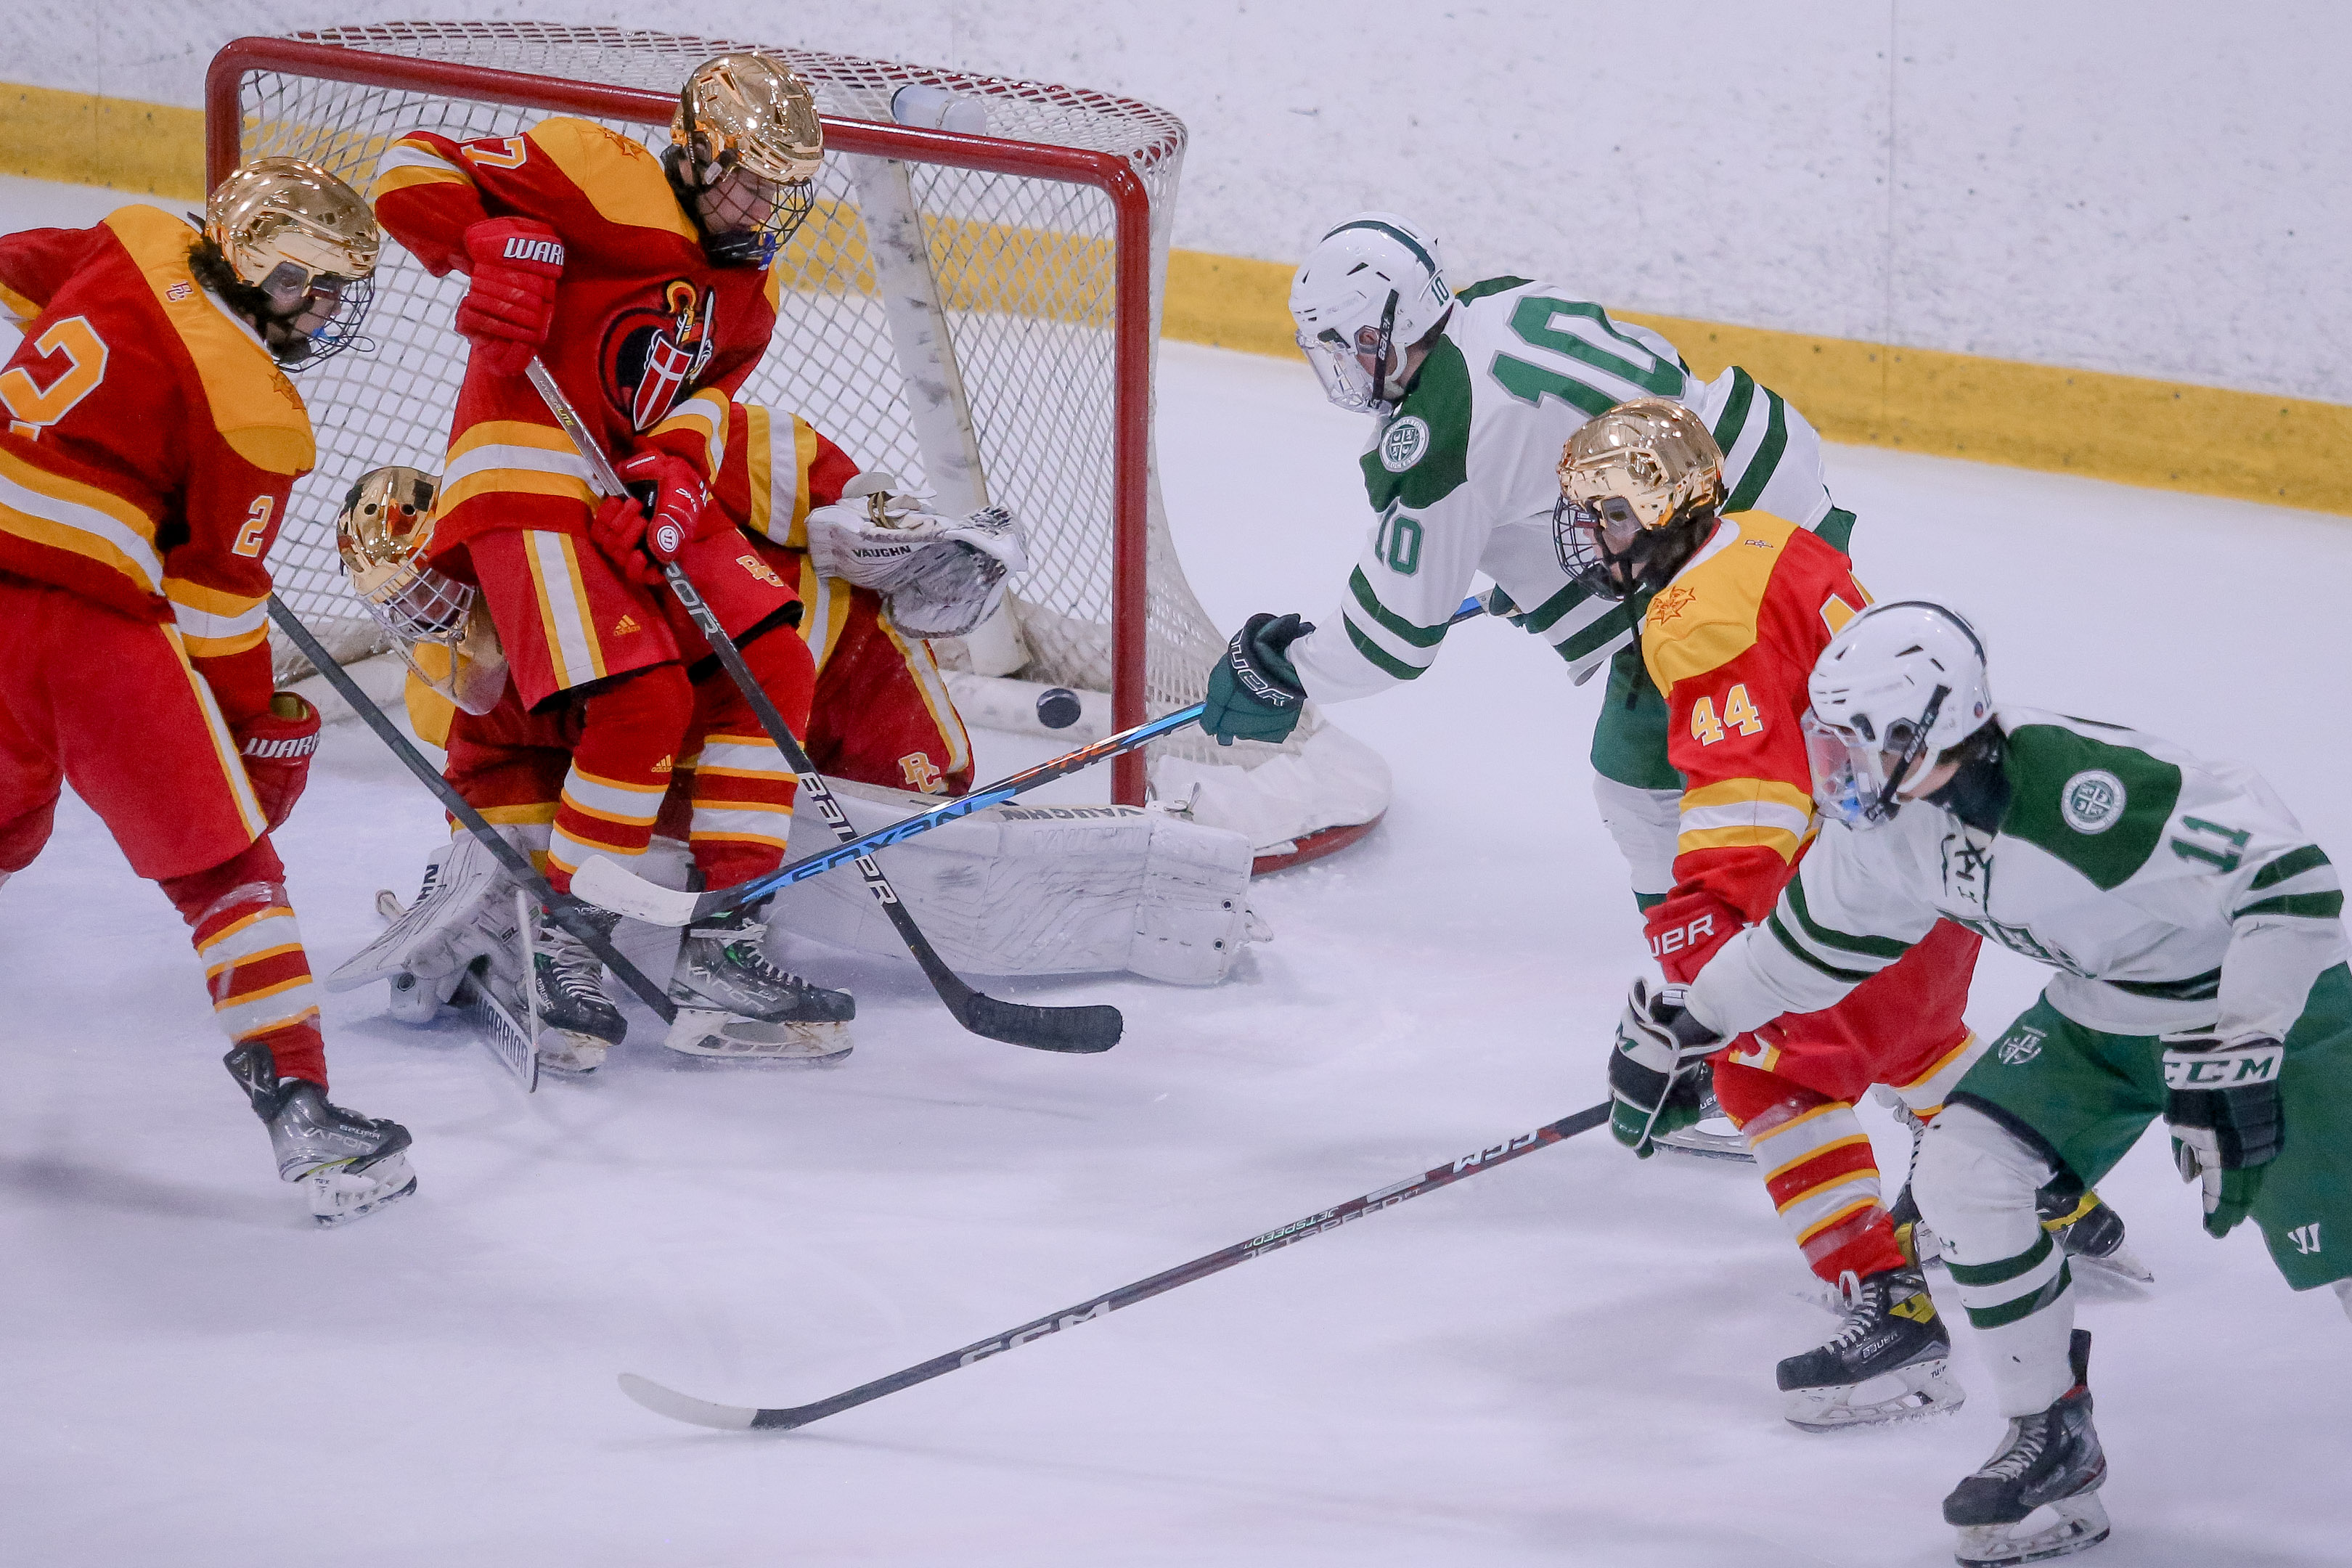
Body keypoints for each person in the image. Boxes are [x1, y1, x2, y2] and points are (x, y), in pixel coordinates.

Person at [1647, 600, 2351, 1566]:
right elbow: (1796, 955)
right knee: (1964, 1173)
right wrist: (1696, 1023)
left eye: (1856, 743)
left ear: (1925, 730)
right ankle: (2053, 1437)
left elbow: (2295, 887)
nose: (1836, 768)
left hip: (2272, 1005)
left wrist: (2240, 1045)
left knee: (2343, 1243)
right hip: (2103, 1010)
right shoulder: (1891, 827)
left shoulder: (2084, 793)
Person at [1202, 211, 1858, 1159]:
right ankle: (1807, 1009)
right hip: (1775, 486)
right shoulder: (1506, 301)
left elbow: (1392, 636)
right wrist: (1558, 565)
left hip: (1711, 573)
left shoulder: (1440, 431)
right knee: (1800, 792)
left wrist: (1285, 673)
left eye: (1344, 348)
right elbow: (1609, 410)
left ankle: (1723, 1037)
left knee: (1650, 793)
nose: (1342, 371)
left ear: (1380, 332)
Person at [367, 54, 847, 1062]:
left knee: (776, 662)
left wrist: (674, 478)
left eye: (782, 189)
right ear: (699, 147)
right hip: (533, 473)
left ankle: (726, 936)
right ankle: (561, 938)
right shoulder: (597, 169)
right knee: (644, 701)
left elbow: (703, 403)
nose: (765, 205)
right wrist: (484, 241)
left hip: (627, 488)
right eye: (751, 177)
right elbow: (409, 169)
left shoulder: (744, 288)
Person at [328, 400, 1024, 1067]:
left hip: (829, 657)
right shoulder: (454, 684)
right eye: (403, 604)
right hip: (681, 744)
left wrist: (850, 496)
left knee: (925, 820)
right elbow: (497, 781)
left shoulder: (594, 548)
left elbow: (745, 434)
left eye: (431, 588)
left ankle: (720, 939)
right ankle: (682, 943)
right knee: (649, 827)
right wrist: (488, 889)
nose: (427, 619)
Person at [0, 158, 414, 1225]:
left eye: (335, 293)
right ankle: (305, 1113)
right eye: (305, 287)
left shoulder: (135, 235)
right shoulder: (257, 413)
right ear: (250, 262)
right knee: (230, 874)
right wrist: (252, 733)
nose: (322, 314)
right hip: (91, 635)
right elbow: (218, 601)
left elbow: (24, 272)